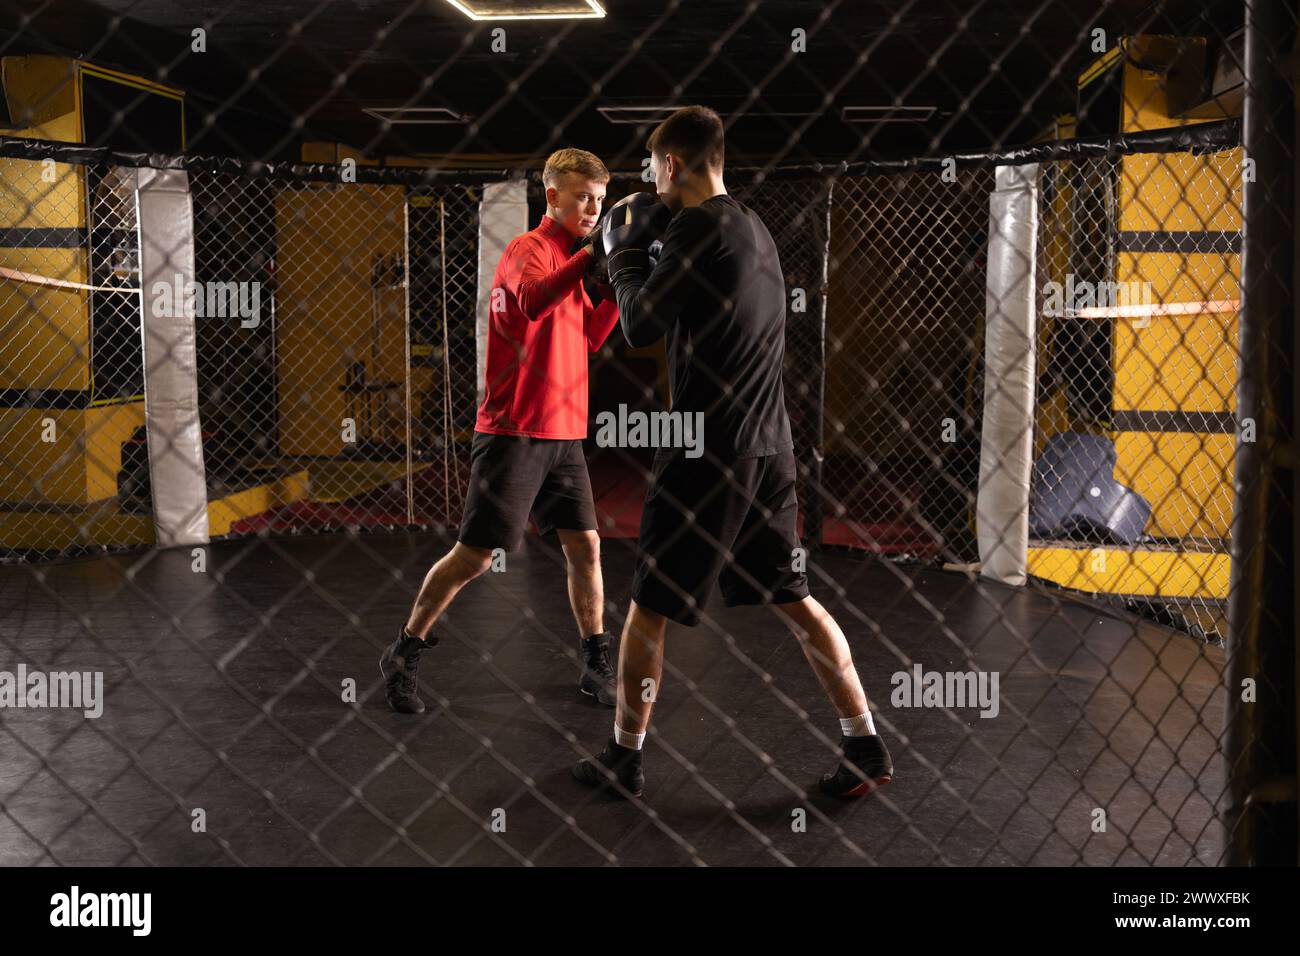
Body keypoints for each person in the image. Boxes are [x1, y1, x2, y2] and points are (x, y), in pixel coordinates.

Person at [573, 107, 893, 799]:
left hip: (705, 449)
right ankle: (865, 742)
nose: (651, 176)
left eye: (654, 164)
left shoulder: (694, 224)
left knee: (648, 607)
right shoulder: (753, 229)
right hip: (766, 448)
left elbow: (638, 326)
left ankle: (624, 757)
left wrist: (625, 254)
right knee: (797, 600)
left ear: (674, 164)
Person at [379, 148, 621, 714]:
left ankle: (595, 659)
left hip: (565, 432)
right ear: (553, 195)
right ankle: (406, 646)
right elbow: (535, 302)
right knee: (477, 556)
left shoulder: (574, 260)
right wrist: (590, 257)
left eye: (600, 201)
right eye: (583, 197)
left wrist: (611, 289)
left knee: (586, 547)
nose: (592, 209)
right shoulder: (527, 250)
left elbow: (586, 338)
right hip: (514, 431)